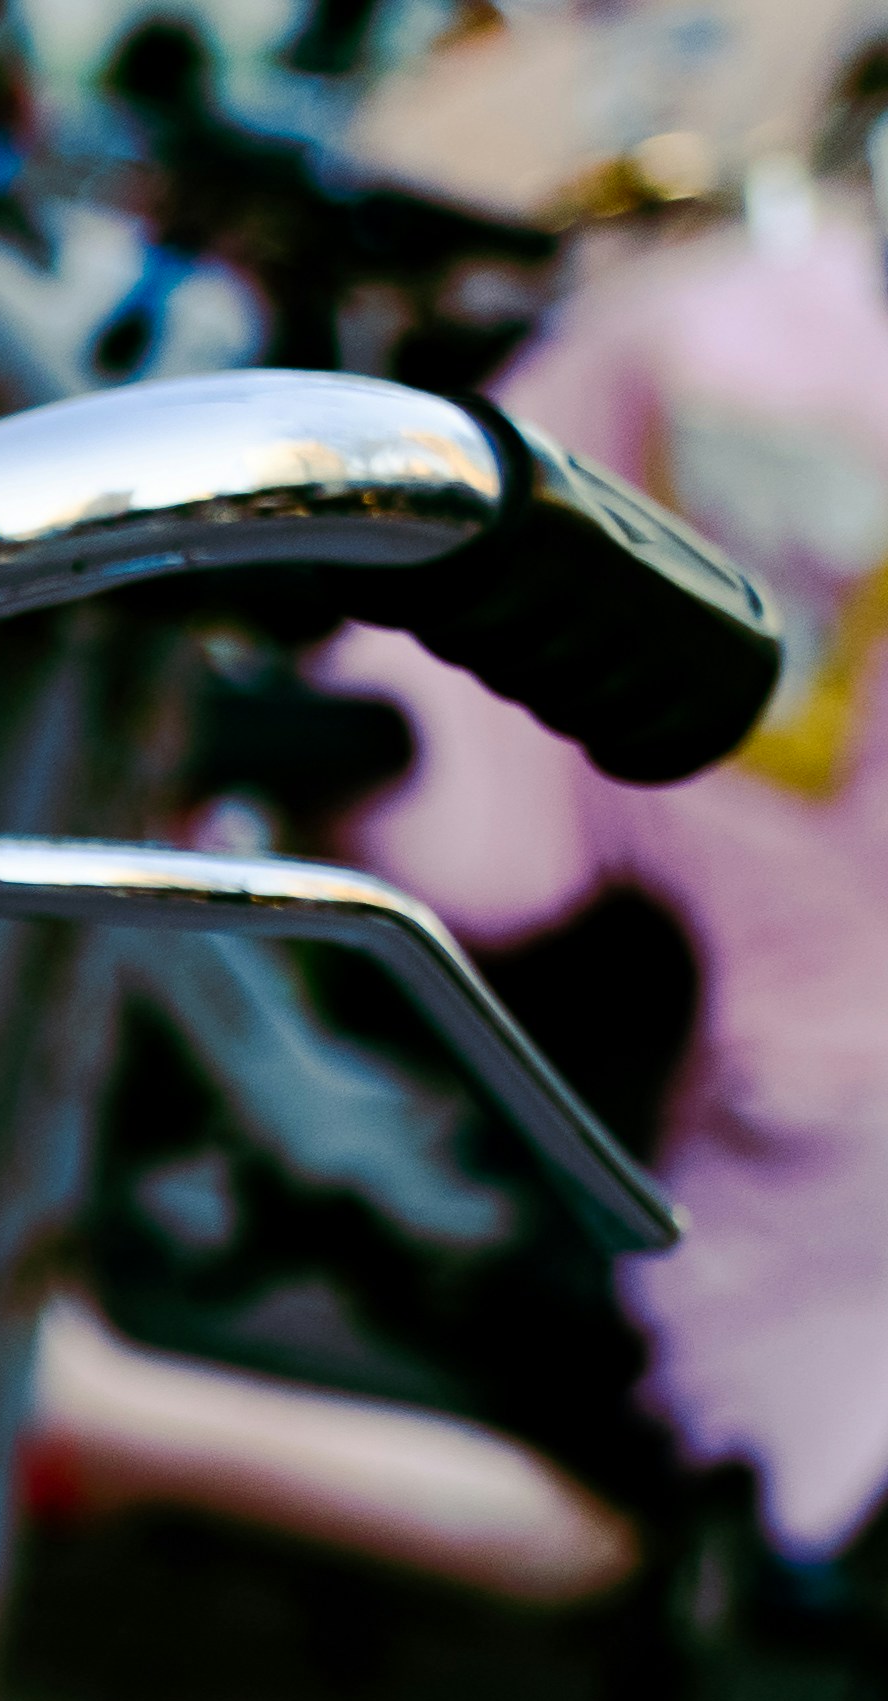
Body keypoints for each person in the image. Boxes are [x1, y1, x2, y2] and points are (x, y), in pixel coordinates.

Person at [330, 186, 888, 1582]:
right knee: (636, 1502)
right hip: (724, 965)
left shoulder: (717, 316)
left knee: (627, 1504)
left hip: (646, 903)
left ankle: (70, 1401)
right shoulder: (732, 323)